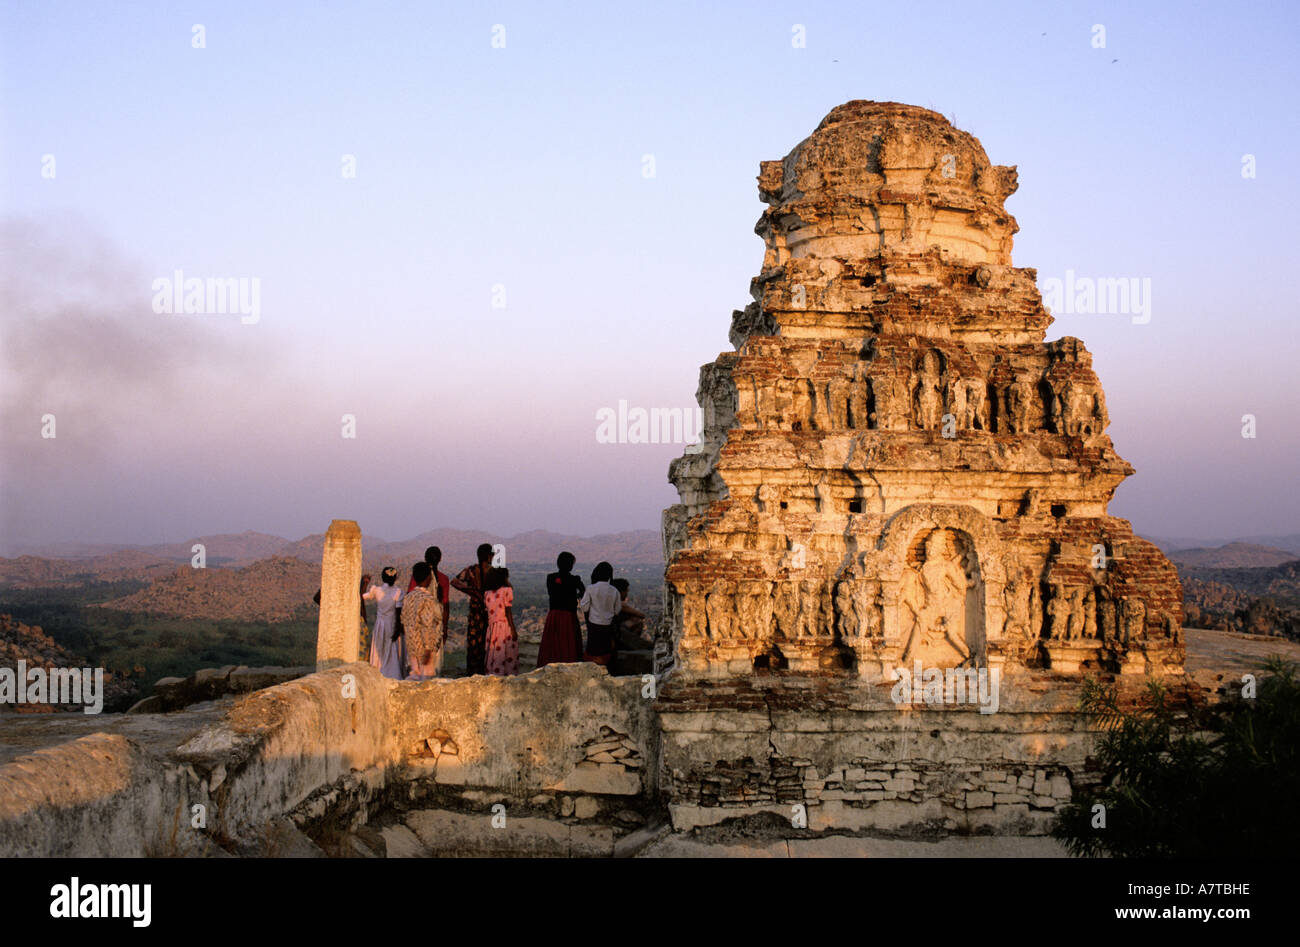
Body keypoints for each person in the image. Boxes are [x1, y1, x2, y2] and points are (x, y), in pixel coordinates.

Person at [537, 551, 585, 668]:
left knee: (553, 643)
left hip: (554, 614)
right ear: (571, 565)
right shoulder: (575, 579)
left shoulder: (551, 577)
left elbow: (551, 592)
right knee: (568, 642)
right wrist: (575, 597)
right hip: (568, 615)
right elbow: (583, 592)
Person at [451, 543, 494, 676]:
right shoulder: (493, 572)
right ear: (488, 556)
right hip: (490, 609)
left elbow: (455, 582)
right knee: (488, 639)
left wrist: (472, 592)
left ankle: (473, 672)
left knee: (475, 640)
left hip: (475, 608)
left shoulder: (471, 570)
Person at [403, 562, 445, 681]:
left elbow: (405, 622)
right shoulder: (428, 600)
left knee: (414, 676)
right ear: (429, 578)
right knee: (426, 680)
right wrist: (428, 648)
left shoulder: (408, 597)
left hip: (411, 645)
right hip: (424, 647)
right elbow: (428, 626)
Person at [364, 566, 405, 679]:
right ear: (395, 578)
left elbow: (363, 597)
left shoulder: (376, 590)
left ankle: (378, 673)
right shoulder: (398, 592)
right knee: (392, 650)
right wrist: (398, 628)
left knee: (379, 648)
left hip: (380, 625)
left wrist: (364, 584)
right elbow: (398, 612)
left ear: (382, 577)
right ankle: (393, 674)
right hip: (392, 624)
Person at [579, 561, 621, 667]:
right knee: (605, 650)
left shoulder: (591, 588)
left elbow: (584, 607)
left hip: (594, 624)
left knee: (593, 650)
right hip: (608, 625)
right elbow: (617, 610)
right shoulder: (614, 590)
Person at [483, 567, 518, 676]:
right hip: (504, 627)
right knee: (506, 654)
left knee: (493, 654)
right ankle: (506, 676)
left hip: (492, 628)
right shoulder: (507, 590)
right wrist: (513, 629)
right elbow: (508, 612)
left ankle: (493, 675)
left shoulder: (487, 593)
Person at [407, 546, 450, 621]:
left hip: (418, 620)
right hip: (436, 620)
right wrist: (445, 627)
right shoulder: (444, 579)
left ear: (425, 558)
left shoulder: (418, 576)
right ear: (440, 559)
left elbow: (410, 598)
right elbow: (445, 605)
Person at [611, 577, 648, 651]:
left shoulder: (612, 601)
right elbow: (641, 615)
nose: (627, 594)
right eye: (626, 591)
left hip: (612, 630)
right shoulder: (619, 603)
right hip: (616, 631)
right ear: (621, 592)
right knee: (637, 621)